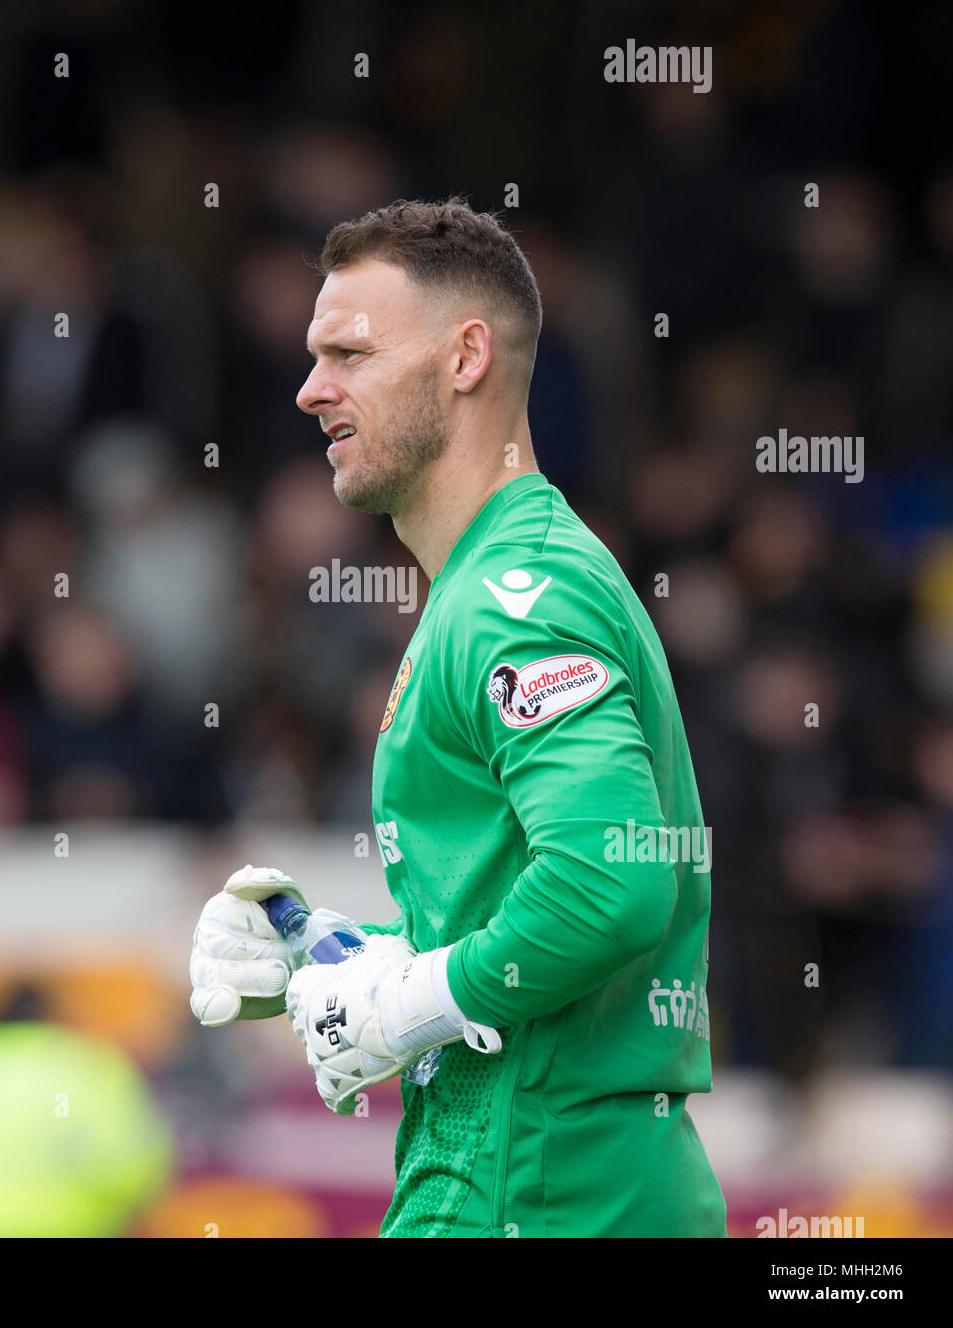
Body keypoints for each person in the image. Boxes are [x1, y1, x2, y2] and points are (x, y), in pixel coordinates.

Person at [190, 198, 726, 1238]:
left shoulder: (517, 593)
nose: (310, 390)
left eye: (348, 351)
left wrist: (415, 1001)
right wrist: (340, 957)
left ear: (465, 357)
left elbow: (609, 881)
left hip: (529, 1179)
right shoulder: (499, 580)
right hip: (549, 1167)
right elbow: (526, 904)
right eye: (312, 355)